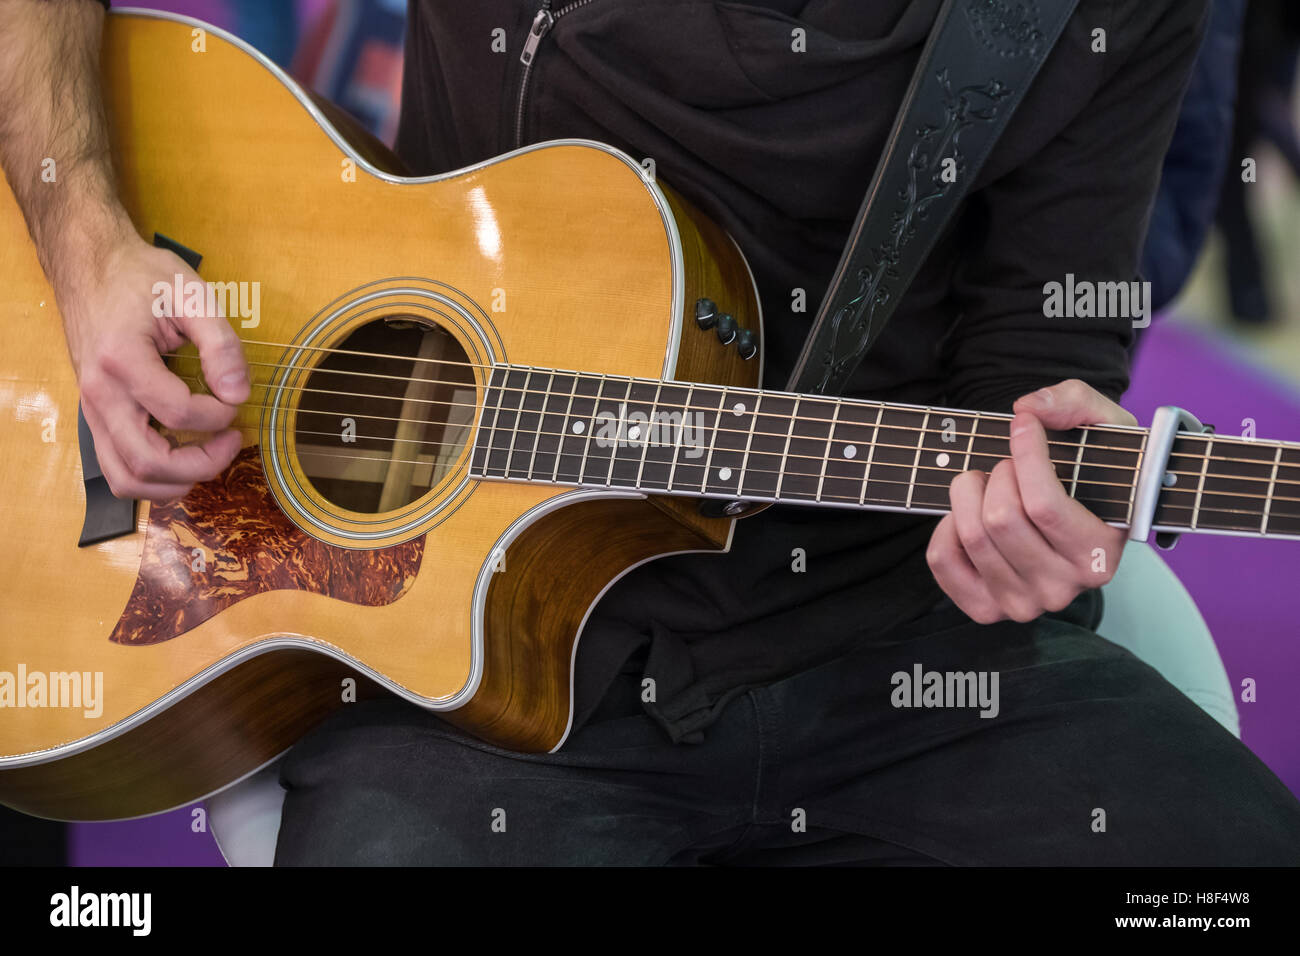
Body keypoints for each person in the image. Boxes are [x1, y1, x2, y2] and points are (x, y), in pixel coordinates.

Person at [3, 0, 1299, 866]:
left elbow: (1039, 346)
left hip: (893, 651)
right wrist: (89, 243)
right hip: (477, 675)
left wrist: (1031, 512)